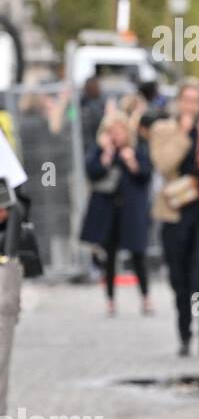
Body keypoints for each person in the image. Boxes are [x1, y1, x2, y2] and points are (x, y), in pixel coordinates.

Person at [150, 77, 199, 356]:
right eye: (186, 100)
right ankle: (185, 331)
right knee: (180, 277)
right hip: (175, 211)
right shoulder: (163, 129)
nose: (190, 106)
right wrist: (184, 135)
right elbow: (163, 164)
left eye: (196, 101)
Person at [80, 111, 153, 315]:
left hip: (130, 210)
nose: (116, 135)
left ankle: (145, 297)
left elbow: (145, 175)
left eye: (119, 130)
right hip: (108, 211)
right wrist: (107, 155)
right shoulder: (101, 151)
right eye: (111, 131)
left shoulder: (135, 151)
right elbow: (92, 171)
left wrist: (131, 162)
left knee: (138, 254)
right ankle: (110, 300)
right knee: (109, 257)